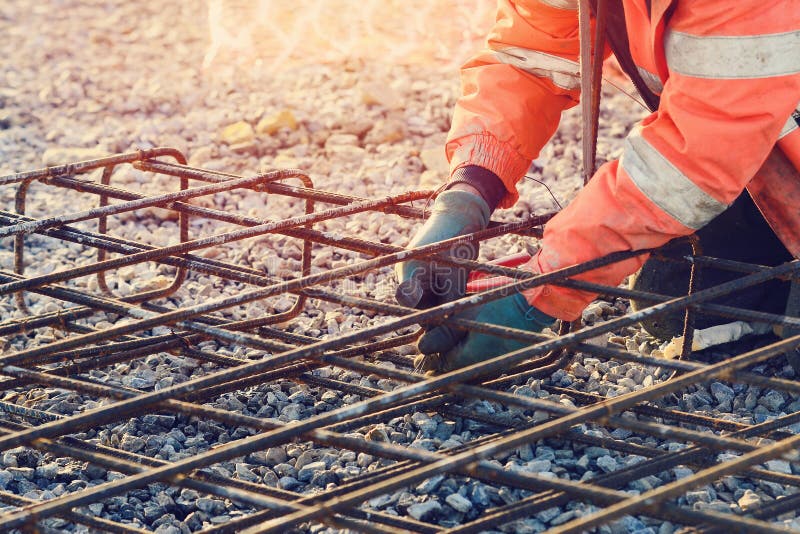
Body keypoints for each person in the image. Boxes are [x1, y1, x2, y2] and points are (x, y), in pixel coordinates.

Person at [396, 0, 800, 373]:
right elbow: (531, 53)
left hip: (738, 142)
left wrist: (543, 287)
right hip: (760, 153)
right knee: (673, 308)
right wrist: (471, 186)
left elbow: (697, 155)